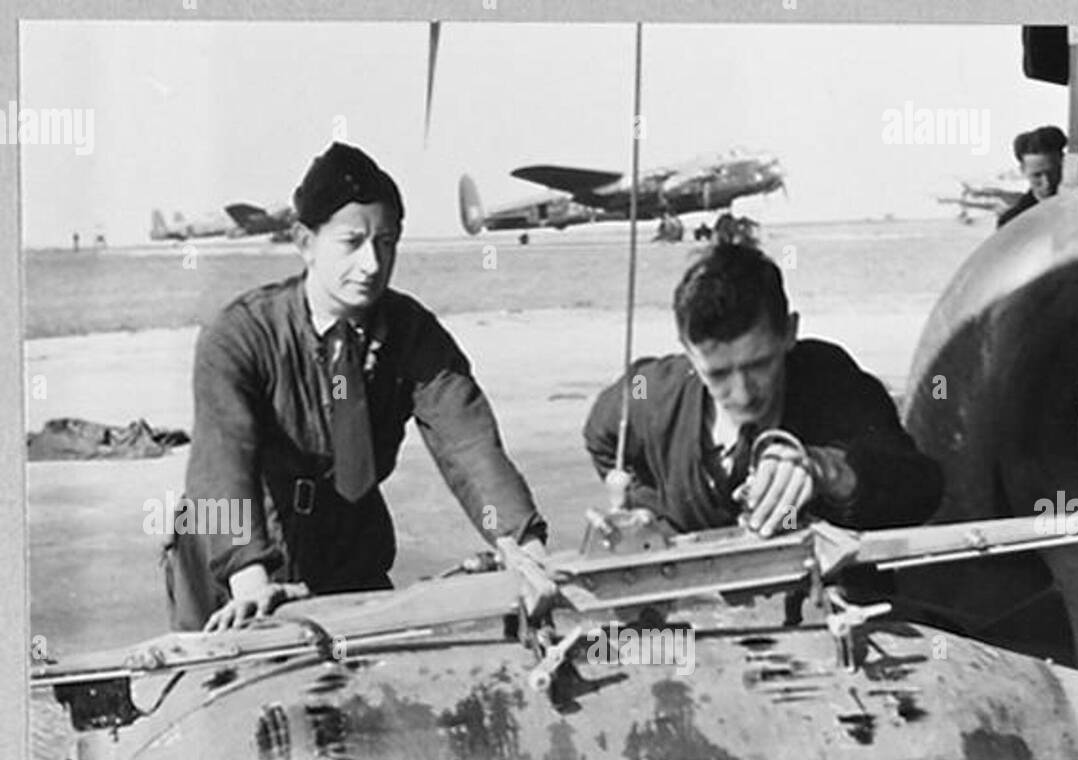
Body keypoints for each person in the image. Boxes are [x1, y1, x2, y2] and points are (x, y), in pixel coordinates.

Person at [166, 142, 554, 631]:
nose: (373, 264)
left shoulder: (412, 332)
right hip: (231, 558)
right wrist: (249, 582)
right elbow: (222, 465)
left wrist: (523, 548)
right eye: (352, 243)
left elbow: (470, 446)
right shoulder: (240, 335)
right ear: (305, 242)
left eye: (387, 242)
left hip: (346, 546)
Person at [583, 230, 942, 540]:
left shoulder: (830, 381)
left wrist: (825, 469)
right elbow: (600, 434)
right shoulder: (648, 390)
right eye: (718, 374)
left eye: (759, 364)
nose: (741, 393)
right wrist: (652, 508)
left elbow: (922, 488)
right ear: (688, 353)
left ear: (789, 332)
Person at [996, 125, 1067, 229]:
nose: (1047, 183)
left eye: (1053, 173)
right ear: (1023, 170)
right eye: (1037, 175)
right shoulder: (1012, 223)